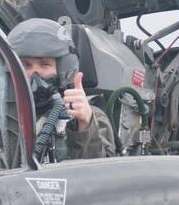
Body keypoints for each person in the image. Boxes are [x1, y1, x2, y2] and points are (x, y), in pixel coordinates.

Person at [7, 18, 116, 162]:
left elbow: (102, 176)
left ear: (61, 70)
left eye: (45, 65)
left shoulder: (89, 117)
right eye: (26, 65)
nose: (35, 74)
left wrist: (84, 126)